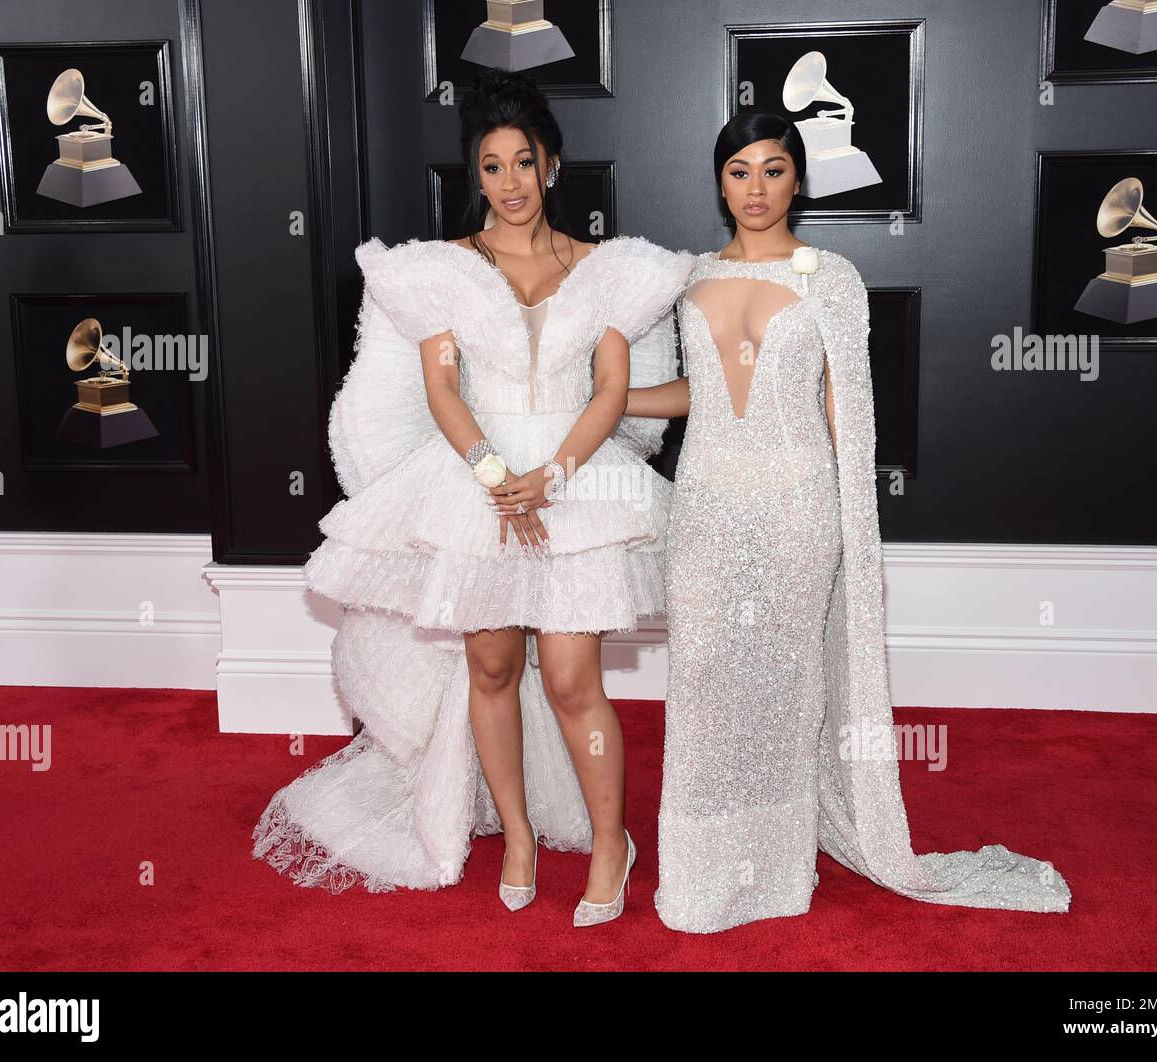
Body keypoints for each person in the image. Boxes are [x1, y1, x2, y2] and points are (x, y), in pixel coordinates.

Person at [253, 68, 694, 928]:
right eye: (491, 167)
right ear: (475, 178)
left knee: (572, 677)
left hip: (577, 481)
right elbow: (442, 390)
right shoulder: (440, 272)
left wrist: (555, 475)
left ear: (552, 166)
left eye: (523, 162)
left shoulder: (606, 268)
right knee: (491, 665)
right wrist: (496, 478)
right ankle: (520, 835)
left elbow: (610, 388)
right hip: (479, 484)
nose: (510, 182)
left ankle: (613, 843)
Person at [625, 110, 1072, 933]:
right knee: (702, 684)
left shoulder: (830, 276)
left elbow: (847, 415)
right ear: (718, 182)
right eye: (738, 171)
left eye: (773, 169)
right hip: (708, 505)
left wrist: (850, 532)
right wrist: (610, 400)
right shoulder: (685, 278)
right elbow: (701, 395)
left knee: (788, 689)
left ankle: (775, 870)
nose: (755, 188)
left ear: (798, 178)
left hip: (798, 504)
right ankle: (700, 874)